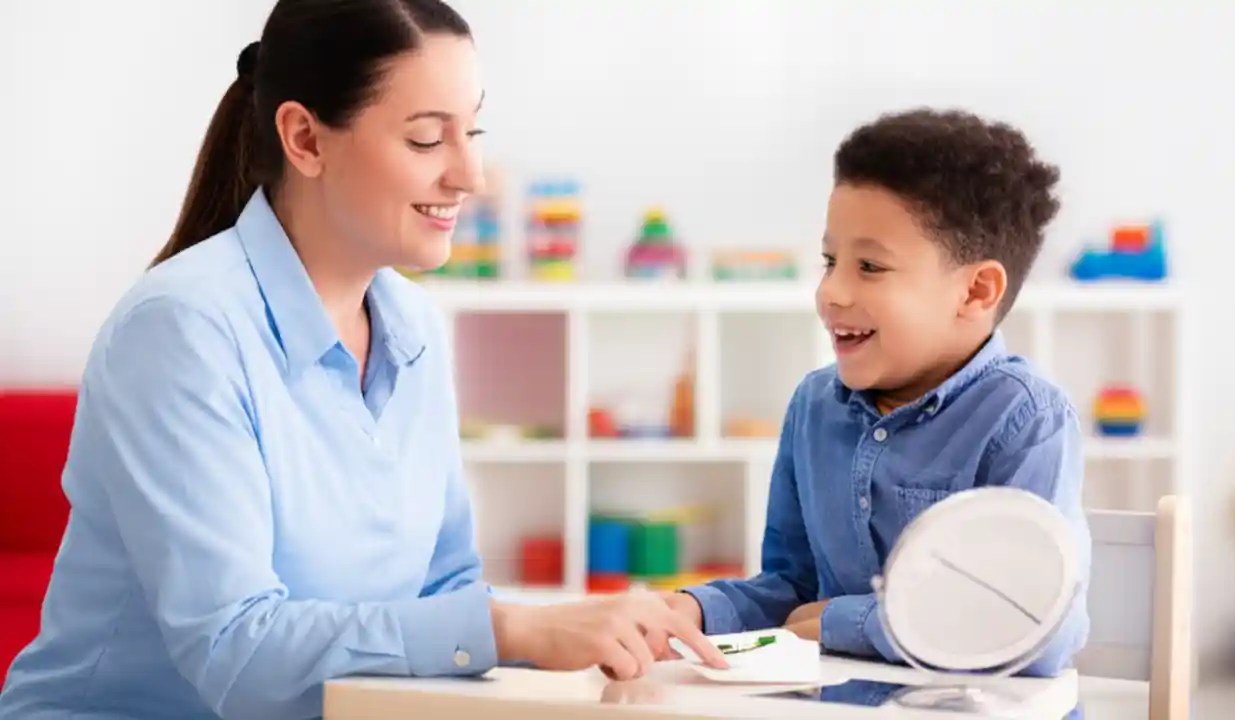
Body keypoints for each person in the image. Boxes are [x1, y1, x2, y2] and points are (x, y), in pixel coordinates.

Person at [0, 2, 725, 719]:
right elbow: (237, 653)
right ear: (306, 140)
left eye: (471, 132)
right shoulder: (181, 331)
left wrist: (584, 629)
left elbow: (443, 594)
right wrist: (516, 628)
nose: (470, 175)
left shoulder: (412, 326)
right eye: (425, 140)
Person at [664, 108, 1091, 677]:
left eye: (869, 266)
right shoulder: (814, 407)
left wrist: (852, 624)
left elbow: (1037, 633)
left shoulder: (1026, 420)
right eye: (829, 260)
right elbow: (792, 591)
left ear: (976, 290)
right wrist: (694, 610)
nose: (830, 292)